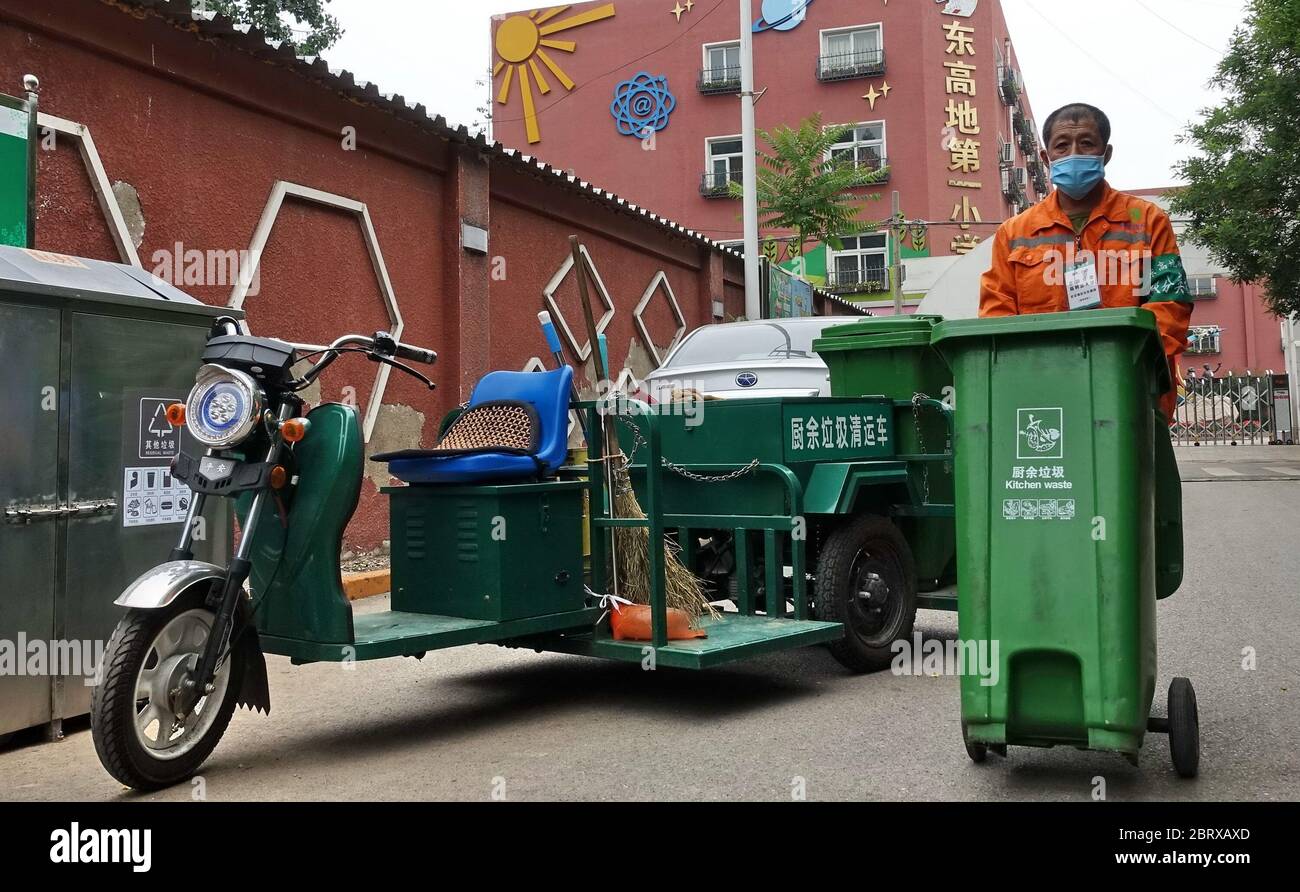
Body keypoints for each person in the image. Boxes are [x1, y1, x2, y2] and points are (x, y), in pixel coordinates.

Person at [980, 103, 1193, 420]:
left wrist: (1120, 363)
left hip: (1128, 392)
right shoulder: (1016, 232)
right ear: (1046, 157)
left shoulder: (1146, 222)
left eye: (1087, 143)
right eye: (1062, 145)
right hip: (1042, 393)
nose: (1074, 153)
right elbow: (997, 314)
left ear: (1105, 154)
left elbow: (1168, 305)